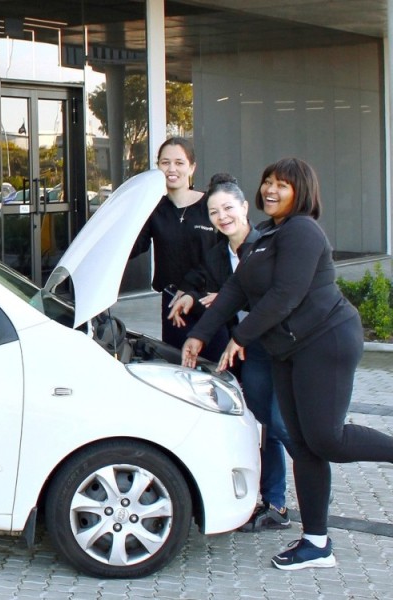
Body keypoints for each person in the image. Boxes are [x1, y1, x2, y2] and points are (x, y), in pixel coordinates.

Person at [182, 158, 393, 570]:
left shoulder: (302, 231)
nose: (270, 190)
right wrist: (199, 334)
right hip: (287, 350)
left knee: (326, 439)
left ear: (302, 190)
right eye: (267, 182)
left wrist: (240, 338)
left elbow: (285, 296)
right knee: (302, 443)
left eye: (281, 184)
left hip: (325, 341)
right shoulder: (265, 235)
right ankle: (316, 543)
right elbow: (235, 290)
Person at [168, 173, 292, 532]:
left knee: (279, 424)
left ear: (244, 207)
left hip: (281, 347)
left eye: (228, 208)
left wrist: (224, 298)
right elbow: (200, 282)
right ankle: (270, 502)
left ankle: (301, 483)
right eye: (214, 212)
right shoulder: (215, 253)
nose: (222, 217)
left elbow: (275, 297)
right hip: (246, 350)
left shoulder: (266, 245)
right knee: (260, 421)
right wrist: (190, 296)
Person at [130, 137, 224, 355]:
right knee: (178, 365)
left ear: (192, 167)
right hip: (174, 304)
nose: (172, 169)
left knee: (215, 367)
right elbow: (135, 247)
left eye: (179, 163)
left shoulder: (211, 205)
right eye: (165, 162)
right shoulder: (154, 209)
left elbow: (226, 253)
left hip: (210, 301)